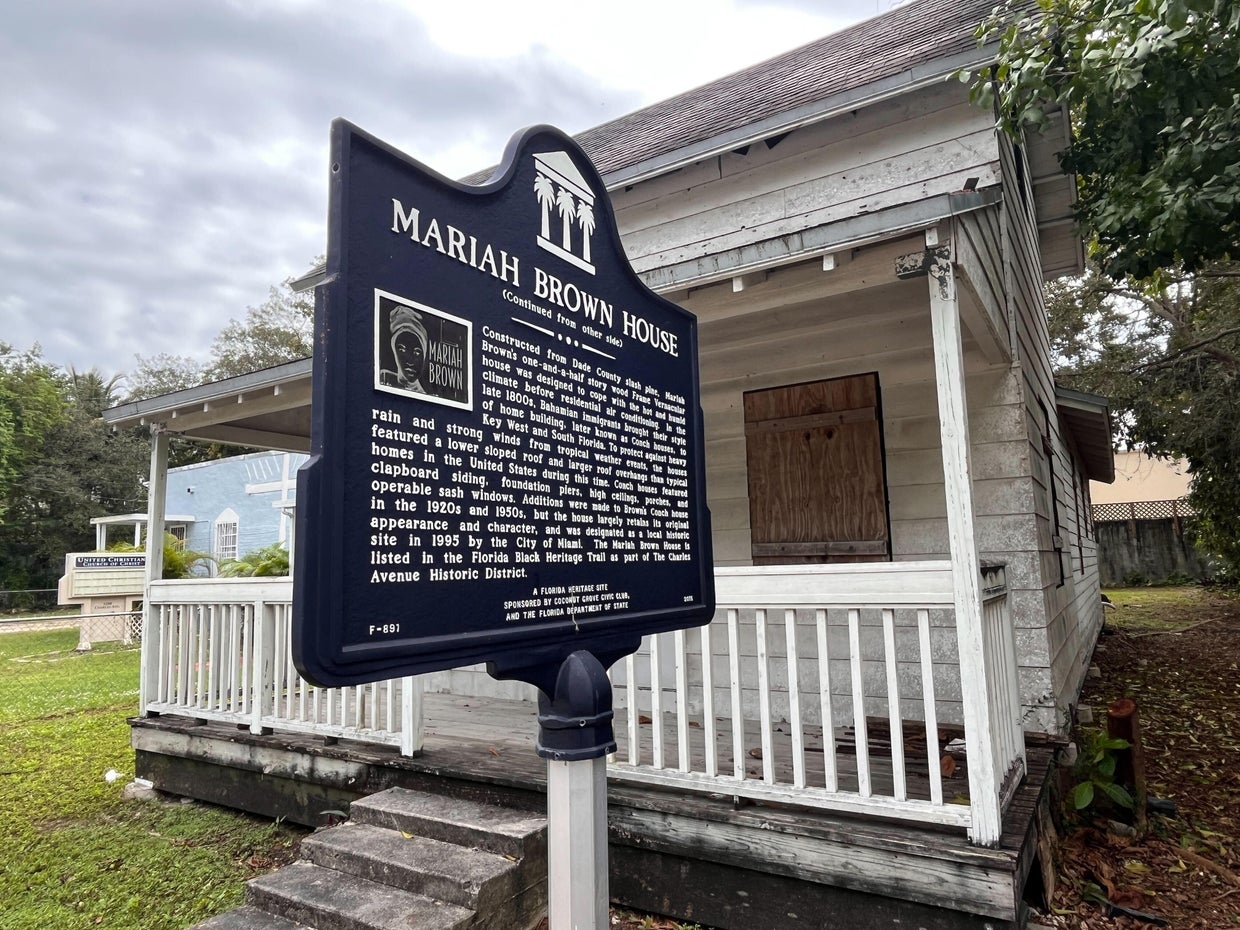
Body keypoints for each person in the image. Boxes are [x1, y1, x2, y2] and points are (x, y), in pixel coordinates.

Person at [379, 304, 428, 393]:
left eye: (417, 352)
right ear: (394, 352)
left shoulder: (426, 397)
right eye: (402, 350)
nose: (410, 361)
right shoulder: (383, 378)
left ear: (424, 356)